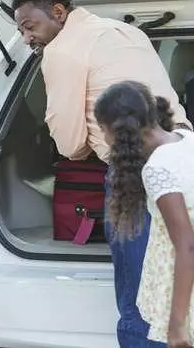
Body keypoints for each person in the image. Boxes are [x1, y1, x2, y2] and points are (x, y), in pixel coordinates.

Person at [12, 0, 191, 347]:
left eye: (30, 27)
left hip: (135, 174)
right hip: (185, 150)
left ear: (58, 12)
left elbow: (70, 142)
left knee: (140, 303)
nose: (26, 39)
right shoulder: (128, 33)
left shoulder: (62, 52)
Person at [94, 80, 194, 348]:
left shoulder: (157, 169)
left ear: (119, 130)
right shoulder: (187, 140)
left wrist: (177, 324)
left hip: (178, 281)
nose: (104, 139)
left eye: (103, 130)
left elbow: (187, 246)